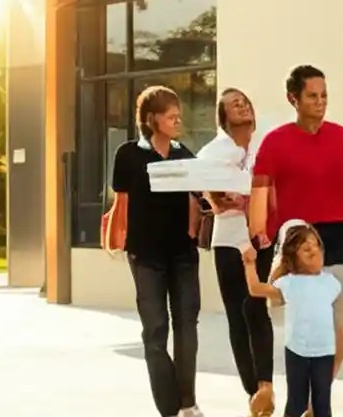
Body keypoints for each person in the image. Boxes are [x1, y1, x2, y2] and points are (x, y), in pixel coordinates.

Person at [250, 65, 343, 378]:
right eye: (312, 96)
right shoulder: (274, 142)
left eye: (324, 95)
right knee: (305, 332)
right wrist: (258, 235)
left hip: (339, 236)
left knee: (340, 329)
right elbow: (259, 192)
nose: (320, 101)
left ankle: (317, 401)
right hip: (298, 239)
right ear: (294, 99)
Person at [111, 85, 205, 417]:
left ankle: (187, 402)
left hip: (182, 254)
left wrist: (205, 214)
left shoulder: (185, 155)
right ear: (152, 119)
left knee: (187, 326)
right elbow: (121, 203)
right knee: (155, 330)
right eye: (171, 114)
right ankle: (169, 408)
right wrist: (116, 241)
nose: (178, 119)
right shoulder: (128, 154)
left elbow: (199, 199)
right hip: (145, 255)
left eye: (178, 113)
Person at [199, 88, 276, 417]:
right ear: (223, 116)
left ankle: (265, 384)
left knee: (257, 306)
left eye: (244, 100)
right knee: (236, 314)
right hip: (228, 238)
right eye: (233, 104)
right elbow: (203, 188)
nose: (242, 105)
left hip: (260, 237)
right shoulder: (212, 151)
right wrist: (215, 199)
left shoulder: (266, 142)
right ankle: (252, 391)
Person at [242, 224, 339, 417]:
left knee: (322, 403)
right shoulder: (288, 283)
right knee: (296, 401)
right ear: (293, 258)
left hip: (325, 351)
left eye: (315, 245)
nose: (313, 250)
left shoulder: (331, 282)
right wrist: (249, 265)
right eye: (305, 248)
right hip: (297, 351)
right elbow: (256, 289)